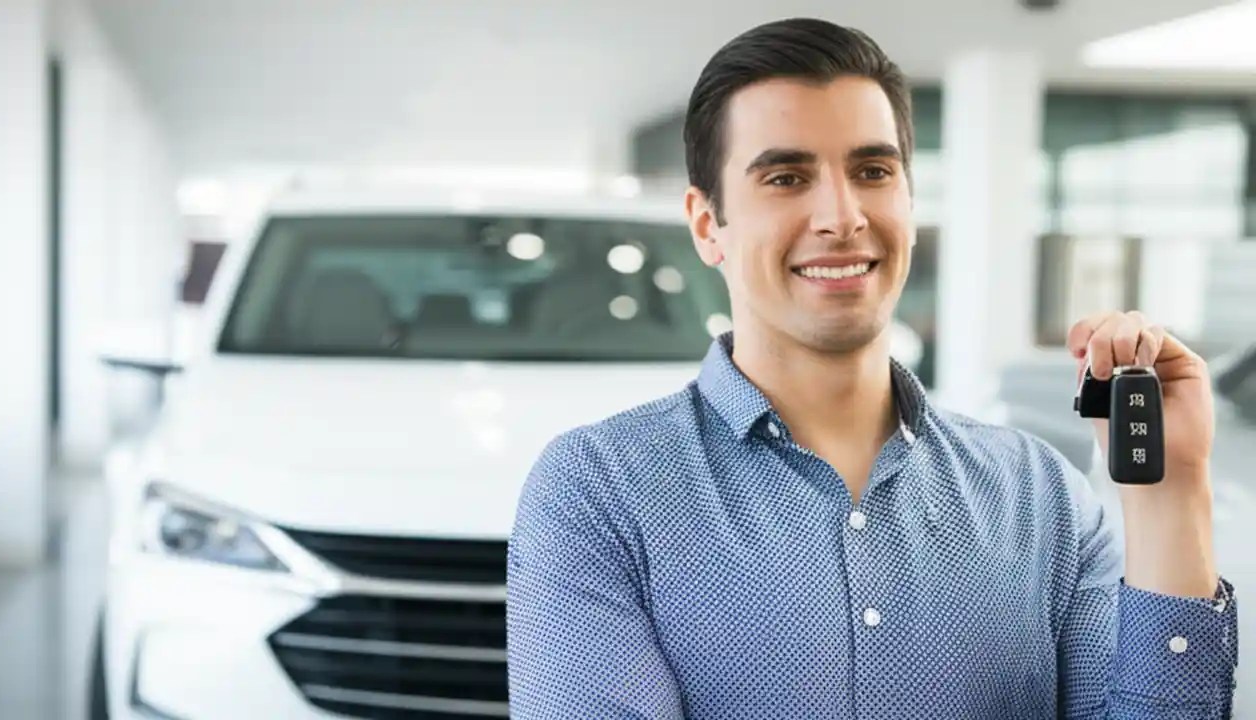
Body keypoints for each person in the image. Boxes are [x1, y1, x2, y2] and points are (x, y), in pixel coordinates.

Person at [506, 17, 1238, 719]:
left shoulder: (1044, 500)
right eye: (787, 178)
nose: (842, 214)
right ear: (708, 225)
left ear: (909, 199)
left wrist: (1170, 496)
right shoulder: (599, 493)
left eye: (873, 170)